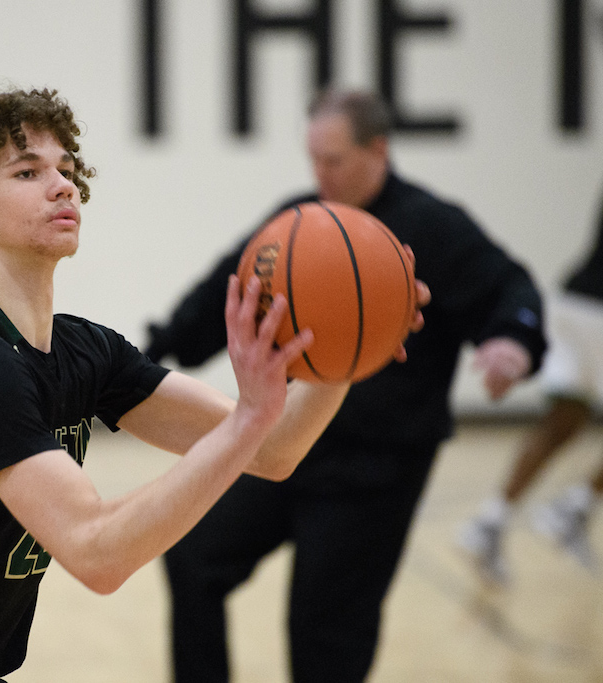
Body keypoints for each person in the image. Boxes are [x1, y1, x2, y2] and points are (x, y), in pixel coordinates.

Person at [0, 87, 425, 683]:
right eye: (28, 172)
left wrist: (349, 351)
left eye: (66, 168)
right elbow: (96, 553)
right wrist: (246, 421)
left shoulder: (86, 352)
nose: (62, 184)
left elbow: (275, 451)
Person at [144, 89, 547, 683]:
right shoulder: (300, 222)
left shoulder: (432, 225)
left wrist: (512, 341)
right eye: (313, 159)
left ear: (378, 149)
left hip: (377, 467)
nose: (320, 174)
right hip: (287, 447)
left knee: (324, 635)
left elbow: (510, 288)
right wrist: (155, 349)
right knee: (193, 555)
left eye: (333, 159)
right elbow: (226, 290)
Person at [457, 191, 603, 583]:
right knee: (564, 420)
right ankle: (576, 505)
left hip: (576, 301)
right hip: (596, 311)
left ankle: (491, 521)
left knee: (564, 420)